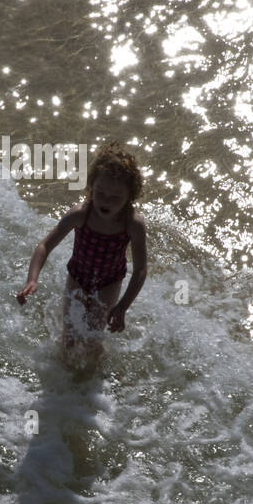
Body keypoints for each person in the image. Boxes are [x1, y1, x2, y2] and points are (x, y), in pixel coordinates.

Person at [17, 141, 147, 368]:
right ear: (91, 187)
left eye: (115, 197)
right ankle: (64, 378)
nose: (105, 201)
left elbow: (141, 270)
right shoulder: (80, 215)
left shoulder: (132, 224)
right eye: (100, 193)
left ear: (130, 196)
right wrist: (32, 279)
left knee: (91, 337)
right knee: (70, 336)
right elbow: (44, 246)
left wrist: (123, 305)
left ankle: (94, 372)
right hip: (77, 277)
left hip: (109, 282)